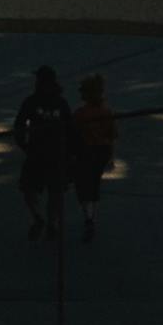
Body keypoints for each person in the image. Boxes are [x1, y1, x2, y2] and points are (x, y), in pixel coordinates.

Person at [11, 63, 74, 245]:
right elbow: (71, 130)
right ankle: (48, 222)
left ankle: (41, 219)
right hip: (52, 155)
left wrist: (25, 145)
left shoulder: (33, 101)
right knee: (51, 191)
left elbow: (19, 126)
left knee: (32, 189)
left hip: (42, 154)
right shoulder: (59, 103)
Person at [68, 70, 117, 242]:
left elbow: (71, 135)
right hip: (101, 152)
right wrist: (111, 155)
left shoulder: (80, 114)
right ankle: (91, 216)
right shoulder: (107, 111)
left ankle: (88, 216)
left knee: (83, 186)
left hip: (85, 152)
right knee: (94, 184)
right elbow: (111, 136)